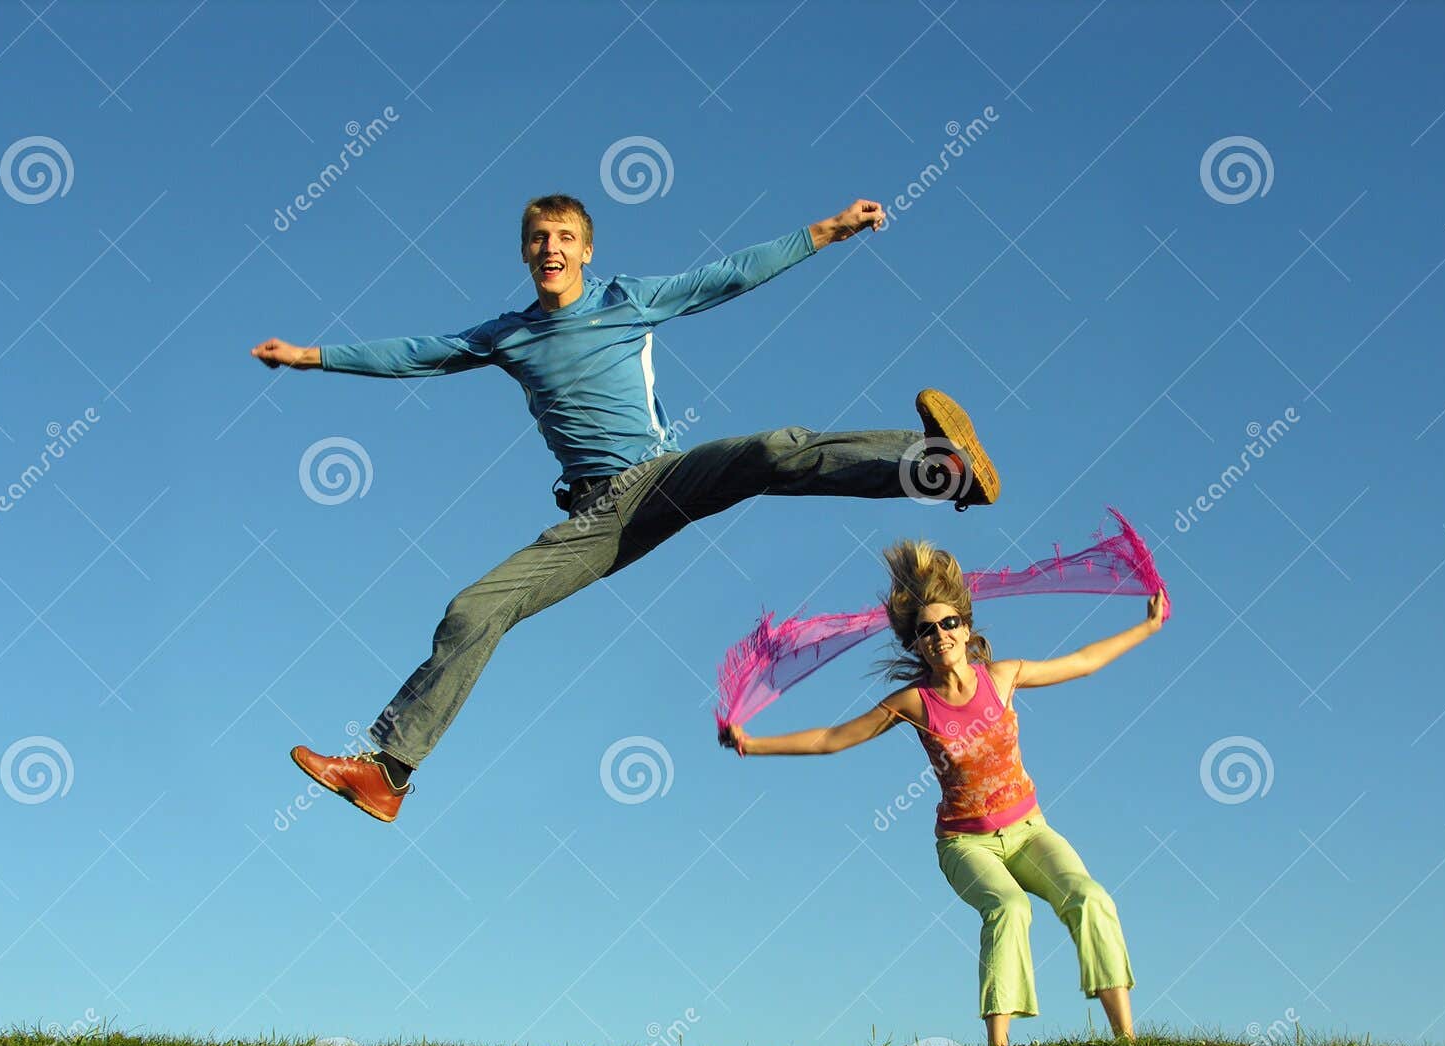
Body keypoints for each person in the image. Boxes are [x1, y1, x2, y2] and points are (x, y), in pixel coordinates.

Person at [251, 193, 998, 822]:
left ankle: (937, 469)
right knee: (472, 609)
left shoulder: (625, 299)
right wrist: (313, 357)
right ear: (525, 254)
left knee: (772, 450)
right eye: (538, 238)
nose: (551, 247)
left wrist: (826, 231)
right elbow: (420, 352)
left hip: (660, 476)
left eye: (565, 237)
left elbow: (726, 276)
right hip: (594, 520)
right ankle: (389, 772)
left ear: (585, 251)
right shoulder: (506, 335)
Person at [718, 539, 1165, 1046]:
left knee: (1089, 897)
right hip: (965, 845)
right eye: (926, 630)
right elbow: (833, 739)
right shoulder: (914, 702)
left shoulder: (1004, 677)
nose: (939, 635)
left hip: (1029, 832)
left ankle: (1127, 1040)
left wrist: (1146, 627)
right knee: (1009, 908)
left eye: (948, 623)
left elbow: (1083, 661)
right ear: (918, 645)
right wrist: (753, 745)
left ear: (967, 629)